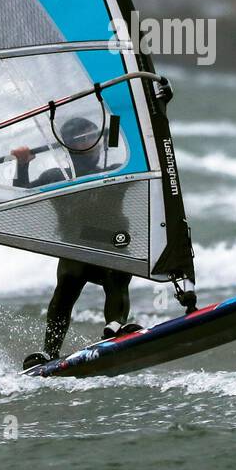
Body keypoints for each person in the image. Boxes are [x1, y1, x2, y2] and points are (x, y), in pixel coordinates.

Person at [14, 116, 141, 371]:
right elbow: (21, 195)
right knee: (66, 287)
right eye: (81, 140)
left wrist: (117, 123)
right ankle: (49, 351)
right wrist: (23, 164)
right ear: (67, 146)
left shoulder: (115, 170)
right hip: (75, 249)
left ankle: (115, 326)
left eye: (92, 138)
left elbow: (142, 155)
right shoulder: (55, 176)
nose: (89, 146)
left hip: (111, 247)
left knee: (118, 273)